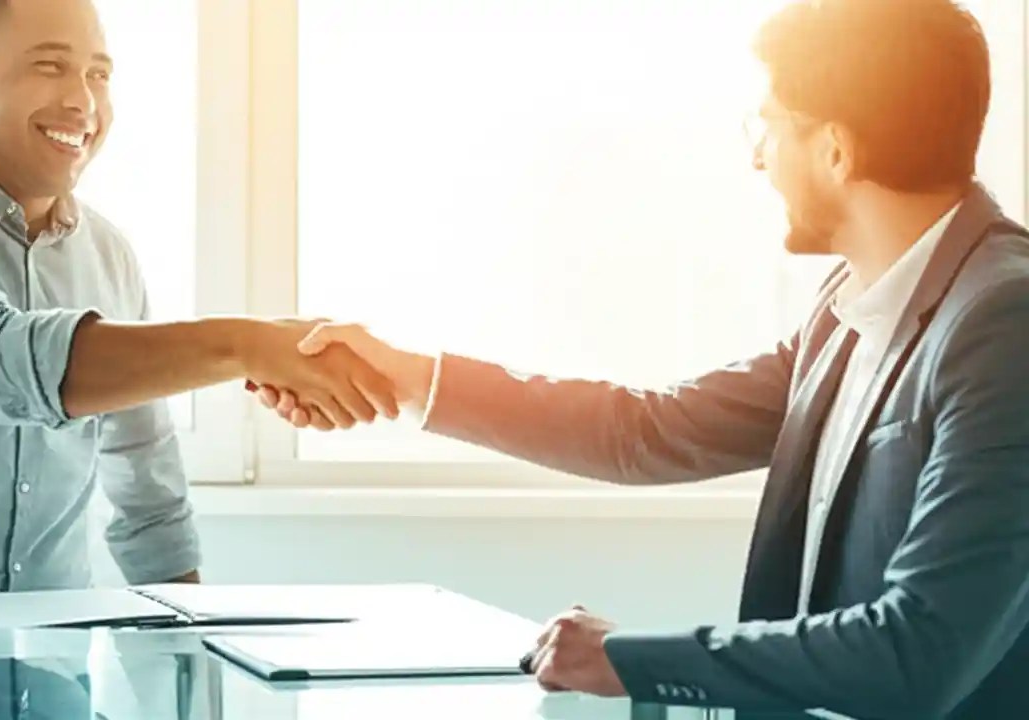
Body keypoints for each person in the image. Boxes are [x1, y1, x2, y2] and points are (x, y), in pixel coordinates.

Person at [255, 0, 1029, 716]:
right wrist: (407, 376)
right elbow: (650, 429)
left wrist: (627, 659)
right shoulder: (853, 304)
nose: (758, 160)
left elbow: (922, 648)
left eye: (768, 127)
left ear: (834, 148)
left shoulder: (1003, 322)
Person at [0, 0, 396, 599]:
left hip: (48, 679)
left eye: (98, 73)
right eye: (50, 66)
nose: (83, 101)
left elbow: (145, 484)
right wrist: (247, 346)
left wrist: (188, 666)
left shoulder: (108, 254)